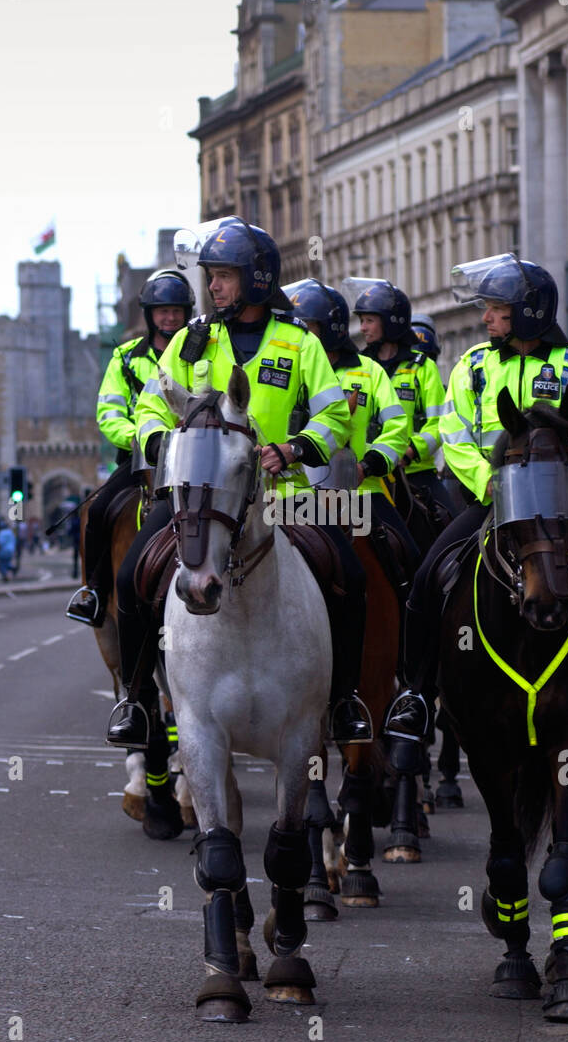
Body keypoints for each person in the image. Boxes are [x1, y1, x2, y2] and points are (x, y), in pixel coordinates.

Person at [384, 252, 568, 740]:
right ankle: (417, 693)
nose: (486, 317)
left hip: (566, 505)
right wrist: (490, 486)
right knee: (426, 578)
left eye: (496, 309)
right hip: (489, 504)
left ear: (527, 312)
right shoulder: (472, 366)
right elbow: (455, 437)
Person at [107, 217, 371, 749]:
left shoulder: (299, 344)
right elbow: (150, 406)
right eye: (212, 276)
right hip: (200, 498)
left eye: (224, 276)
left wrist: (294, 449)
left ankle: (344, 703)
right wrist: (162, 445)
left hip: (284, 497)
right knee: (133, 573)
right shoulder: (189, 341)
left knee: (351, 578)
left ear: (255, 279)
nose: (213, 286)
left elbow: (332, 416)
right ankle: (135, 699)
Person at [66, 268, 196, 625]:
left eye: (176, 311)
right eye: (162, 311)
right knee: (99, 510)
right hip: (142, 459)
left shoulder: (200, 354)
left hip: (194, 457)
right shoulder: (124, 358)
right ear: (150, 315)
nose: (170, 318)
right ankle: (93, 590)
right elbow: (109, 412)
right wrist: (142, 439)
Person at [284, 276, 419, 562]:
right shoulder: (289, 370)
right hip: (295, 493)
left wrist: (367, 466)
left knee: (411, 558)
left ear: (331, 329)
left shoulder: (370, 372)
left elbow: (397, 428)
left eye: (307, 328)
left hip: (362, 493)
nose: (298, 335)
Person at [354, 284, 457, 523]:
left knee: (450, 524)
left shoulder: (422, 368)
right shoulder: (358, 367)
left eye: (369, 320)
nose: (362, 328)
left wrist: (409, 452)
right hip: (366, 478)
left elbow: (439, 423)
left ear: (391, 323)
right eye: (362, 320)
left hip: (414, 474)